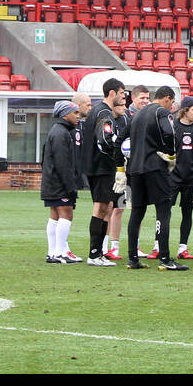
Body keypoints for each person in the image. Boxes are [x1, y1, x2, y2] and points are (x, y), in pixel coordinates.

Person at [126, 86, 187, 271]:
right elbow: (170, 133)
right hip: (154, 167)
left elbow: (121, 138)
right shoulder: (161, 112)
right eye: (172, 103)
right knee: (163, 210)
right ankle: (165, 258)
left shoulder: (136, 114)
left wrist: (122, 167)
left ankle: (132, 258)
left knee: (137, 211)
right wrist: (171, 155)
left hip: (135, 169)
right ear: (167, 98)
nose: (172, 107)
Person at [83, 78, 127, 265]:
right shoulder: (104, 113)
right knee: (101, 208)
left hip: (97, 166)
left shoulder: (98, 110)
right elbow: (105, 138)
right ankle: (94, 254)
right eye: (122, 93)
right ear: (112, 93)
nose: (124, 97)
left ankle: (99, 252)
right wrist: (121, 150)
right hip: (101, 166)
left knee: (107, 207)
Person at [108, 84, 150, 261]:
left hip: (139, 171)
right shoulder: (125, 117)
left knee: (137, 208)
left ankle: (136, 245)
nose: (145, 101)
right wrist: (120, 168)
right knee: (119, 208)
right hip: (124, 171)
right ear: (133, 98)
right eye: (142, 98)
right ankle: (114, 247)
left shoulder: (149, 116)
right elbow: (118, 143)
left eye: (147, 98)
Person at [41, 101, 82, 263]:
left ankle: (52, 253)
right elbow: (62, 163)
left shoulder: (57, 131)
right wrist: (70, 186)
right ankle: (59, 253)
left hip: (51, 182)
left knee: (54, 216)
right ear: (65, 114)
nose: (78, 116)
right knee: (66, 214)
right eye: (75, 113)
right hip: (58, 183)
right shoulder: (61, 133)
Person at [169, 96, 193, 260]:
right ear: (185, 110)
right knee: (164, 211)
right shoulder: (173, 127)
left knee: (187, 212)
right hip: (173, 176)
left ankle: (183, 248)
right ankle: (158, 246)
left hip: (191, 177)